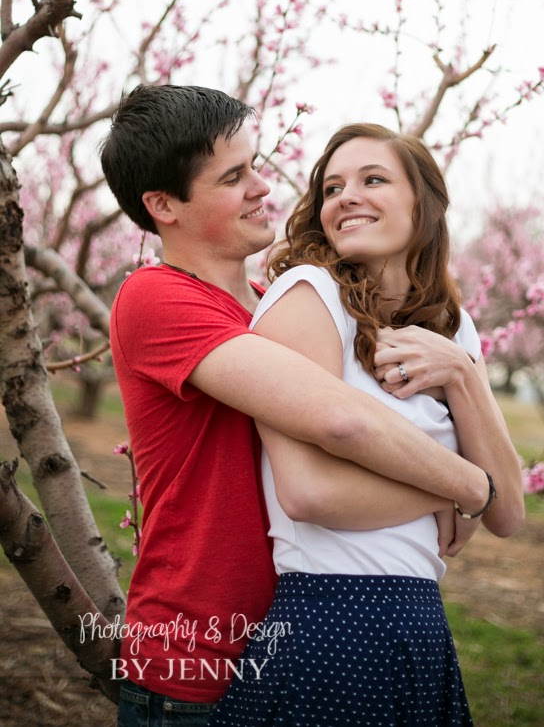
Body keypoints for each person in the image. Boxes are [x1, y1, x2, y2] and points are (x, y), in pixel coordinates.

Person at [99, 85, 522, 727]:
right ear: (164, 206)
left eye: (256, 165)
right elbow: (339, 420)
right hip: (198, 660)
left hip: (290, 641)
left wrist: (461, 379)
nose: (264, 187)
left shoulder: (281, 303)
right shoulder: (157, 299)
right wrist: (470, 486)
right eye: (234, 176)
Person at [208, 123, 524, 727]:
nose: (345, 197)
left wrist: (461, 374)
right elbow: (309, 494)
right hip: (329, 615)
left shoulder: (454, 332)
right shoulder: (307, 294)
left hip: (421, 622)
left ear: (422, 203)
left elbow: (509, 513)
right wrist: (459, 488)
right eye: (331, 188)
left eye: (372, 179)